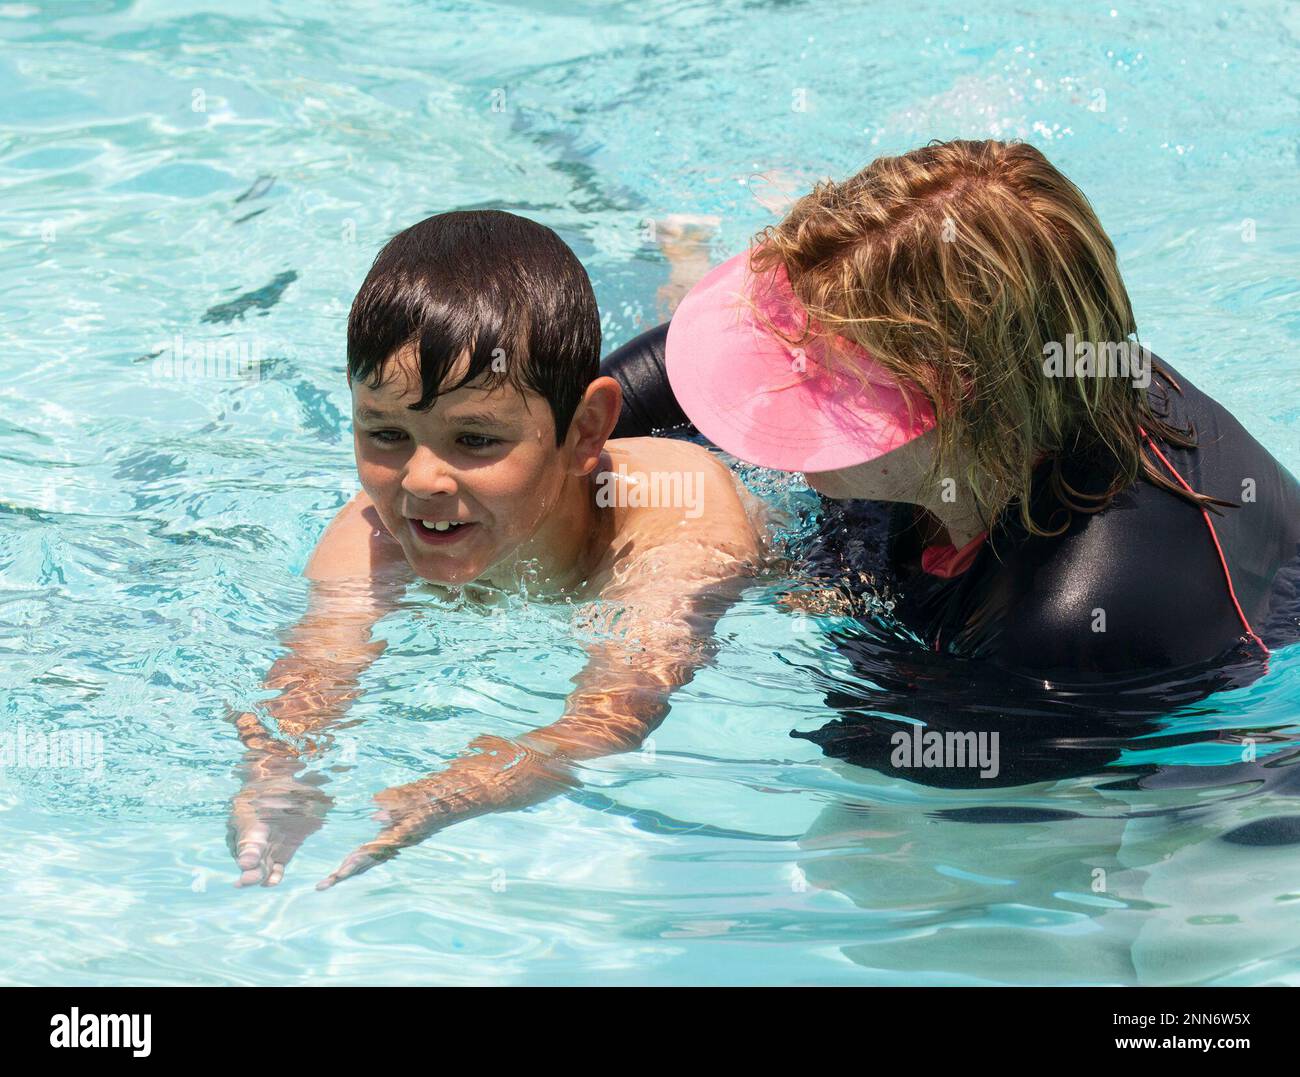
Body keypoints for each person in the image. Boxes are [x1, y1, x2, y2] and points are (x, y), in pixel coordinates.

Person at [601, 139, 1300, 785]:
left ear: (949, 392)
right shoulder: (1023, 393)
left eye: (820, 374)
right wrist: (564, 436)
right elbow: (662, 380)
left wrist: (682, 620)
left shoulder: (1074, 617)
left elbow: (897, 778)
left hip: (1235, 780)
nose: (779, 394)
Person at [226, 209, 763, 888]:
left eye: (475, 440)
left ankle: (692, 261)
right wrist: (275, 778)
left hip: (733, 446)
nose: (420, 480)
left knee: (711, 347)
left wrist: (463, 788)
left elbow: (618, 709)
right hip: (559, 430)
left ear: (586, 429)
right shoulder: (369, 533)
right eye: (385, 433)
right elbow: (312, 677)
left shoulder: (675, 521)